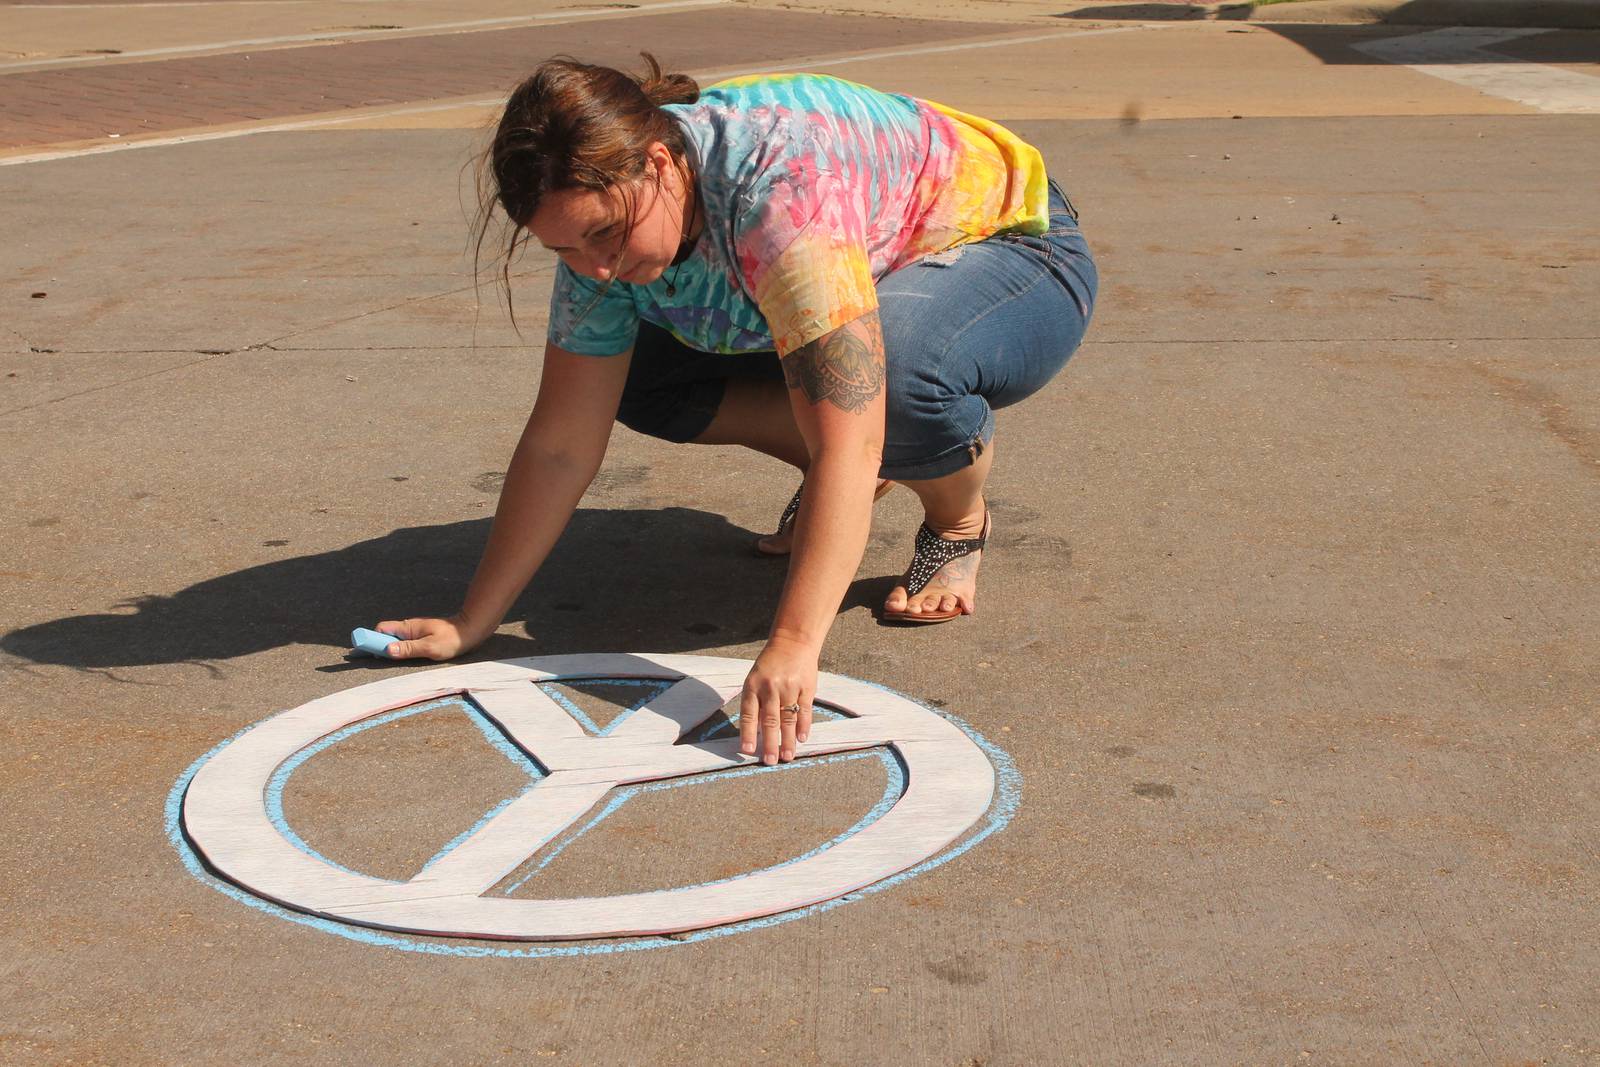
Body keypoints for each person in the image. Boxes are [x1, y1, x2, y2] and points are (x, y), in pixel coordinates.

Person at [372, 55, 1097, 767]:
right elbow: (562, 441)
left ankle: (957, 519)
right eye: (563, 248)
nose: (594, 267)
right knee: (636, 376)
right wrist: (476, 619)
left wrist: (792, 643)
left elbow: (854, 439)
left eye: (602, 234)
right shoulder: (606, 236)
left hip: (1009, 247)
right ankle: (847, 485)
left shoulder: (781, 200)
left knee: (891, 389)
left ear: (658, 164)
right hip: (839, 263)